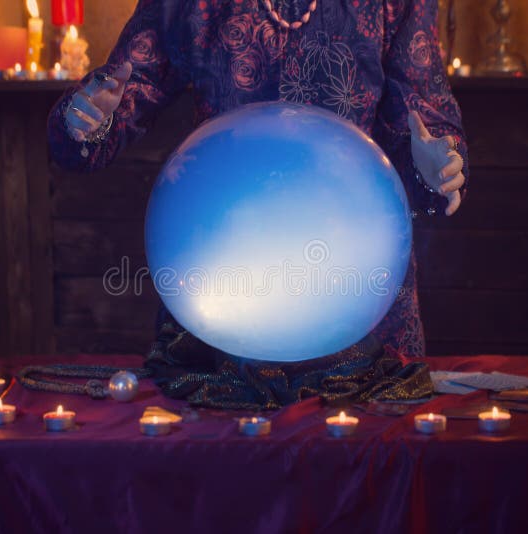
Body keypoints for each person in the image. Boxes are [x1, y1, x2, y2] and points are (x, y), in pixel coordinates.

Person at [47, 0, 467, 396]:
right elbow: (125, 88)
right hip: (222, 278)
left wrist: (437, 166)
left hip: (356, 282)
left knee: (367, 445)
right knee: (221, 445)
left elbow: (422, 115)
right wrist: (88, 119)